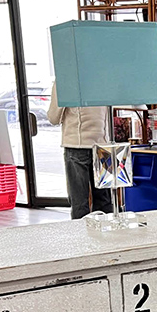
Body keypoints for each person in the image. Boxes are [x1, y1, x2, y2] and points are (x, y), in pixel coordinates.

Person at [47, 82, 113, 220]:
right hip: (102, 145)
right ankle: (107, 238)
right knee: (104, 201)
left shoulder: (65, 82)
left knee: (79, 202)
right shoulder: (103, 79)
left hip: (76, 144)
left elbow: (53, 118)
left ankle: (82, 239)